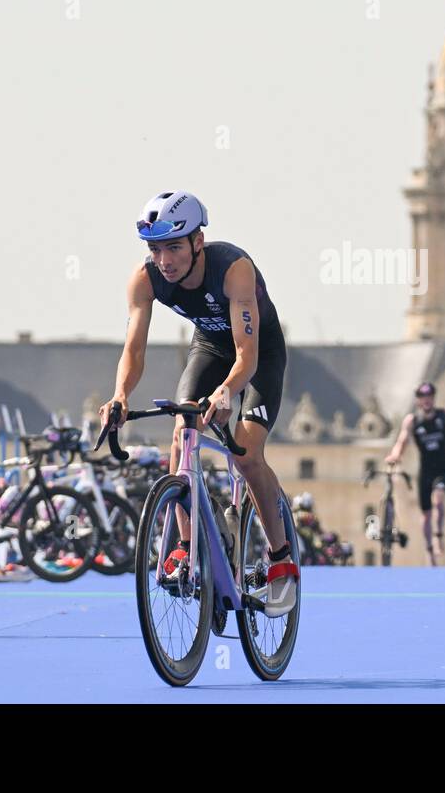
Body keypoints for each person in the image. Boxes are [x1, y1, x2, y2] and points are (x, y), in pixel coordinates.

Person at [100, 191, 296, 617]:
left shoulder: (234, 270)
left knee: (246, 452)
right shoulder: (146, 278)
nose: (164, 259)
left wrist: (226, 391)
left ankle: (282, 560)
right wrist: (120, 396)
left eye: (173, 247)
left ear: (197, 242)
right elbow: (133, 350)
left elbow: (247, 357)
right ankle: (185, 547)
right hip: (209, 346)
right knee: (182, 432)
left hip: (258, 353)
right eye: (155, 249)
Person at [385, 382, 445, 565]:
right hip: (425, 471)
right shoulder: (412, 421)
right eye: (423, 397)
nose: (427, 400)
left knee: (438, 500)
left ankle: (438, 536)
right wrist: (395, 455)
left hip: (442, 468)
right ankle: (429, 550)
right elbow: (402, 440)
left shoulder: (444, 415)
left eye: (430, 397)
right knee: (427, 514)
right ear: (418, 401)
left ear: (433, 398)